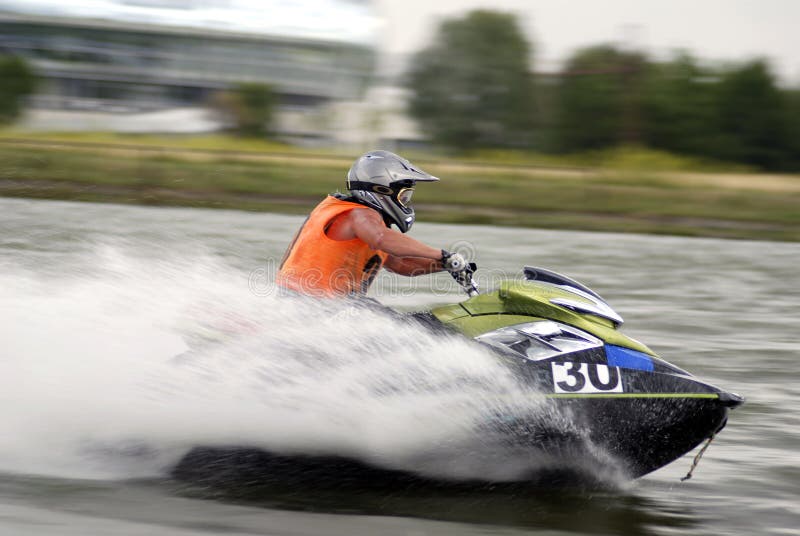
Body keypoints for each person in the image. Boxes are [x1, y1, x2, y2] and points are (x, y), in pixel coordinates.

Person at [276, 150, 473, 297]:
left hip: (317, 306)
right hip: (309, 304)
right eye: (404, 196)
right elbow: (380, 238)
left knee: (390, 316)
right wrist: (441, 254)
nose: (406, 203)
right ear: (381, 189)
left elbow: (401, 263)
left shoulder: (369, 223)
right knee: (396, 320)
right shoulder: (359, 216)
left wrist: (446, 265)